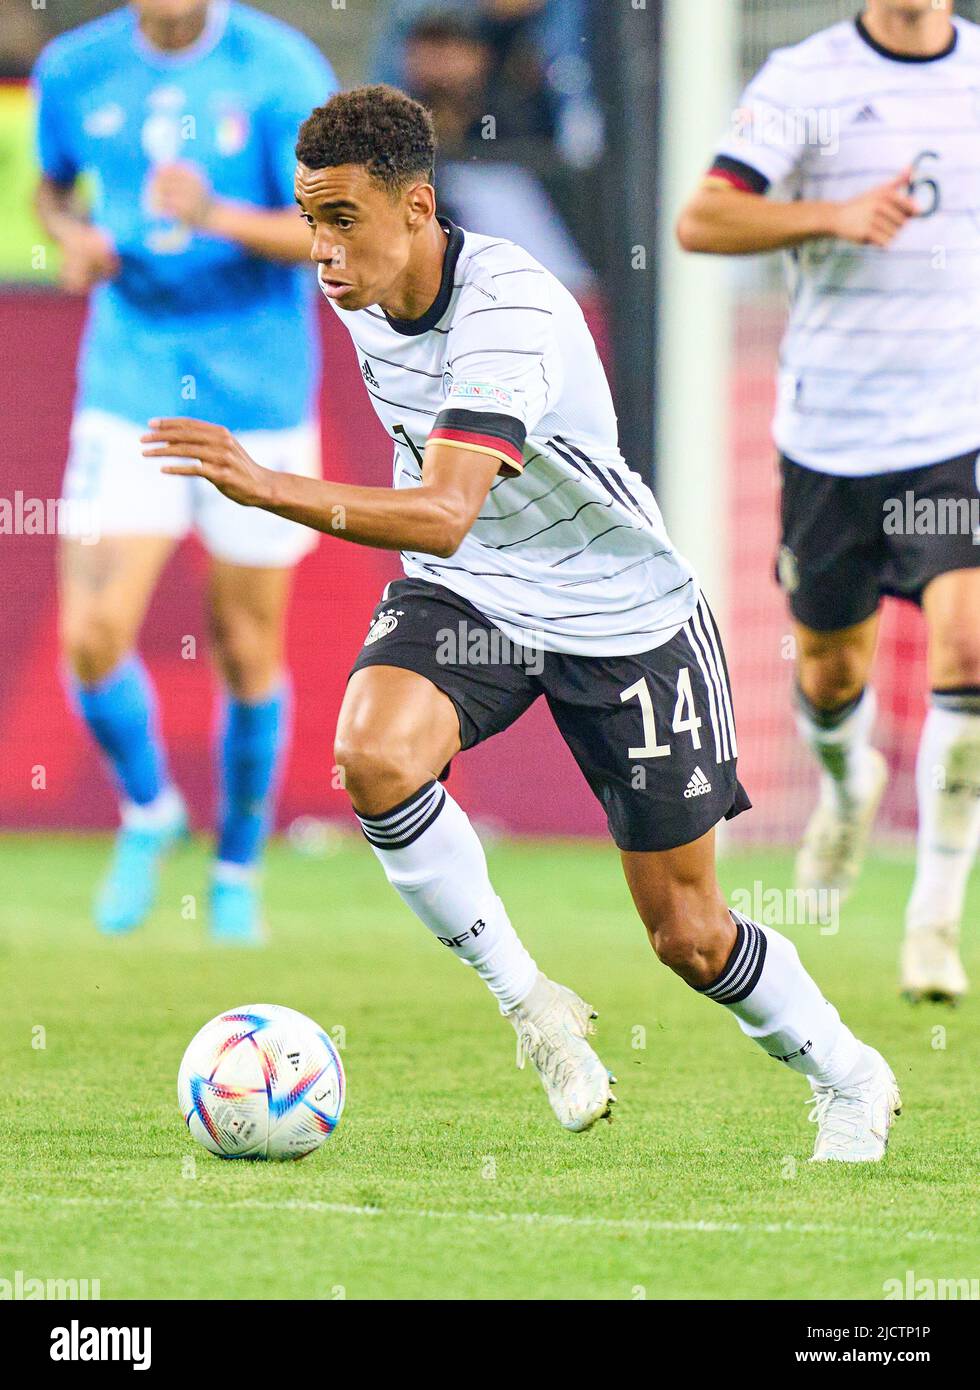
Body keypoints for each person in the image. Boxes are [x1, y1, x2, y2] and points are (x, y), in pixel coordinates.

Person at [143, 84, 900, 1160]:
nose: (320, 250)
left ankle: (845, 1073)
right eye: (309, 220)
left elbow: (447, 511)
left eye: (342, 220)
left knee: (686, 933)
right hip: (478, 595)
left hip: (618, 608)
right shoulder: (360, 286)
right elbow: (456, 542)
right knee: (372, 756)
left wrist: (271, 487)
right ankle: (534, 1008)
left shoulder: (508, 310)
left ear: (417, 209)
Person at [677, 0, 980, 1003]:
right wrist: (831, 214)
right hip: (830, 436)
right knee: (829, 667)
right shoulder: (805, 84)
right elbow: (701, 218)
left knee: (966, 647)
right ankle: (848, 789)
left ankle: (932, 920)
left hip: (952, 431)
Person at [33, 0, 337, 942]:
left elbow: (330, 232)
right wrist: (71, 237)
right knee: (91, 634)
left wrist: (217, 215)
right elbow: (51, 189)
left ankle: (237, 868)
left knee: (246, 646)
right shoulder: (73, 69)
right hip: (132, 377)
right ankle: (148, 808)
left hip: (258, 389)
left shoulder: (281, 69)